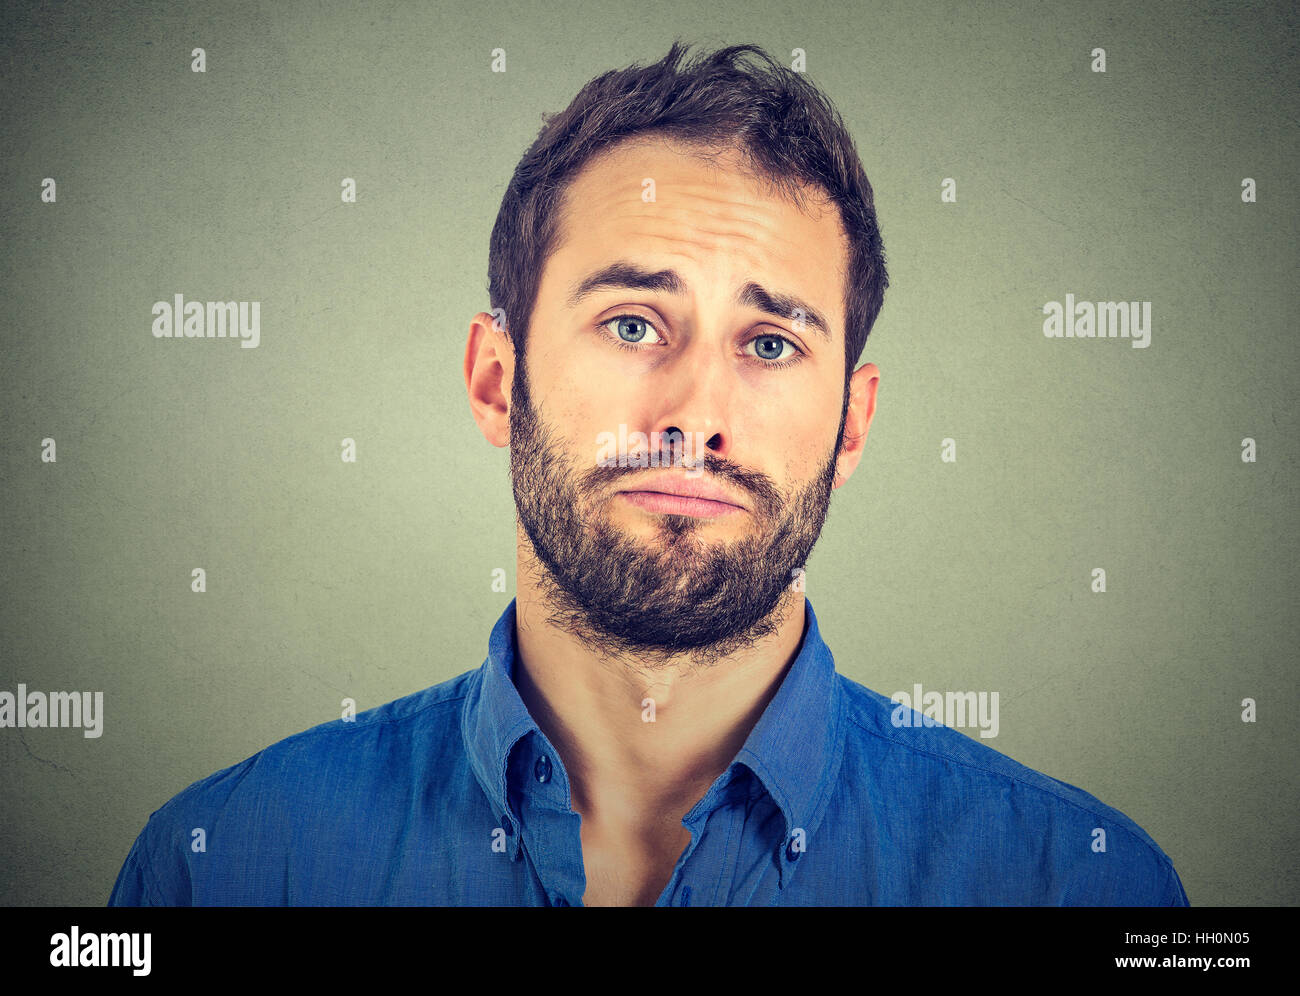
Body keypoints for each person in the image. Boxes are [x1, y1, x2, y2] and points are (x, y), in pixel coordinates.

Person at [109, 41, 1188, 907]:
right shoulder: (226, 868)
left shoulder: (1077, 883)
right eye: (632, 323)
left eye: (770, 343)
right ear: (495, 381)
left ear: (851, 428)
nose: (695, 418)